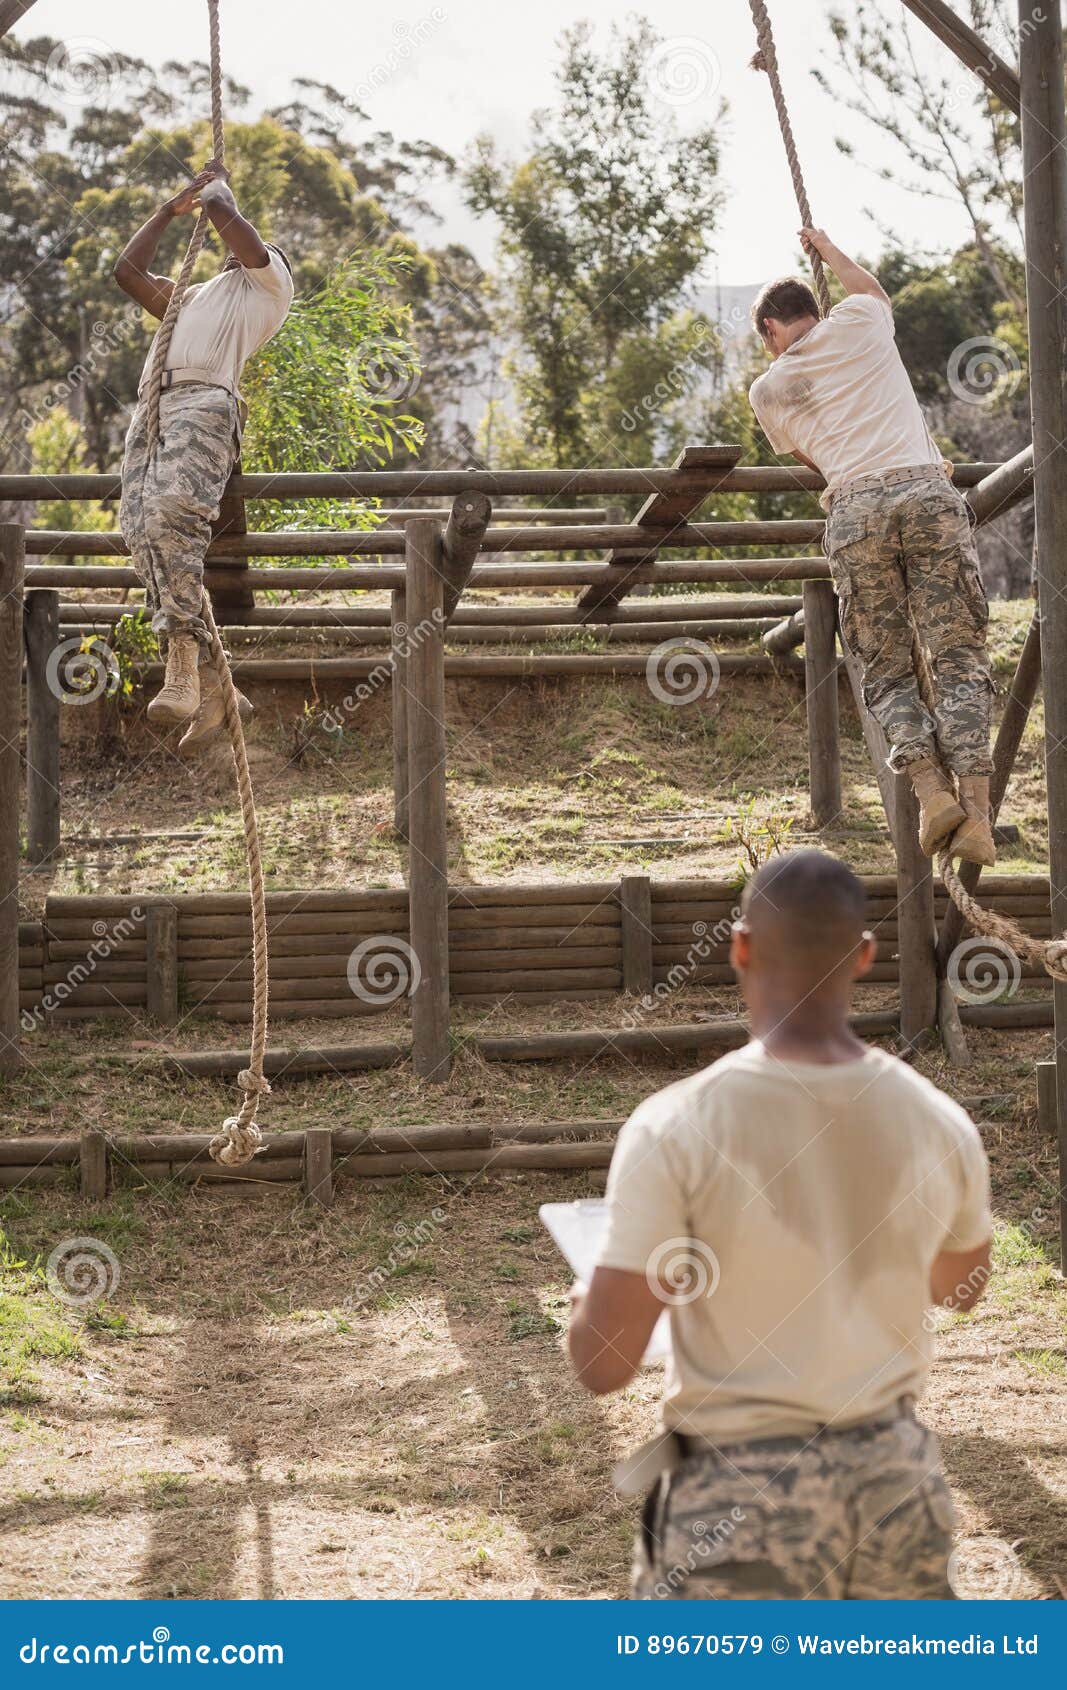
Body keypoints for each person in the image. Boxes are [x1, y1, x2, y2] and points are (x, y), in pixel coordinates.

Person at [569, 849, 992, 1600]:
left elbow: (603, 1365)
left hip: (736, 1497)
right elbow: (960, 1287)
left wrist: (589, 1297)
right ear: (863, 956)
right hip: (895, 1485)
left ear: (739, 945)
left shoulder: (675, 1124)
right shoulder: (938, 1120)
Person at [747, 229, 995, 867]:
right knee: (958, 656)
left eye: (765, 337)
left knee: (885, 667)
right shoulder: (860, 318)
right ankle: (978, 812)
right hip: (926, 491)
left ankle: (929, 789)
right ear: (816, 307)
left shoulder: (768, 389)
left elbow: (813, 458)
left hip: (855, 508)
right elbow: (872, 289)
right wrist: (826, 246)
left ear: (773, 329)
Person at [115, 163, 294, 753]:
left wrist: (218, 196)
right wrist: (170, 211)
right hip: (153, 408)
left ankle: (185, 661)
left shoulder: (265, 292)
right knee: (138, 528)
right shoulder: (187, 297)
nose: (227, 251)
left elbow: (240, 234)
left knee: (171, 516)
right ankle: (216, 680)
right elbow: (127, 271)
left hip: (204, 402)